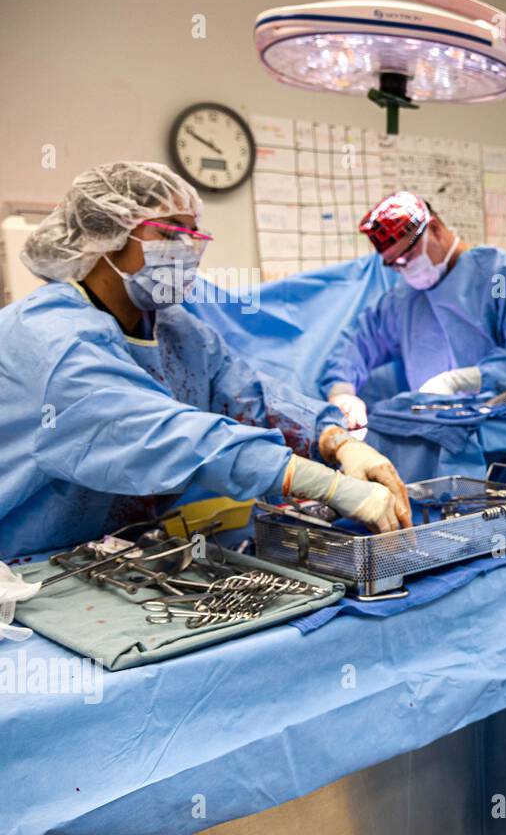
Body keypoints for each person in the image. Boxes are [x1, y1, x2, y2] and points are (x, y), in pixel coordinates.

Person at [0, 162, 412, 560]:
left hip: (111, 554)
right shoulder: (48, 338)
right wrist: (320, 483)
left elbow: (250, 397)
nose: (187, 250)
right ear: (108, 234)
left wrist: (334, 439)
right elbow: (159, 434)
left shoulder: (175, 329)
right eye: (170, 233)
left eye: (194, 235)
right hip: (23, 565)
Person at [321, 192, 506, 431]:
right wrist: (342, 392)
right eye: (394, 265)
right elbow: (357, 345)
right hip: (437, 433)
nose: (404, 268)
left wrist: (461, 381)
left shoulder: (497, 279)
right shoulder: (405, 299)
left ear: (435, 229)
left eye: (408, 256)